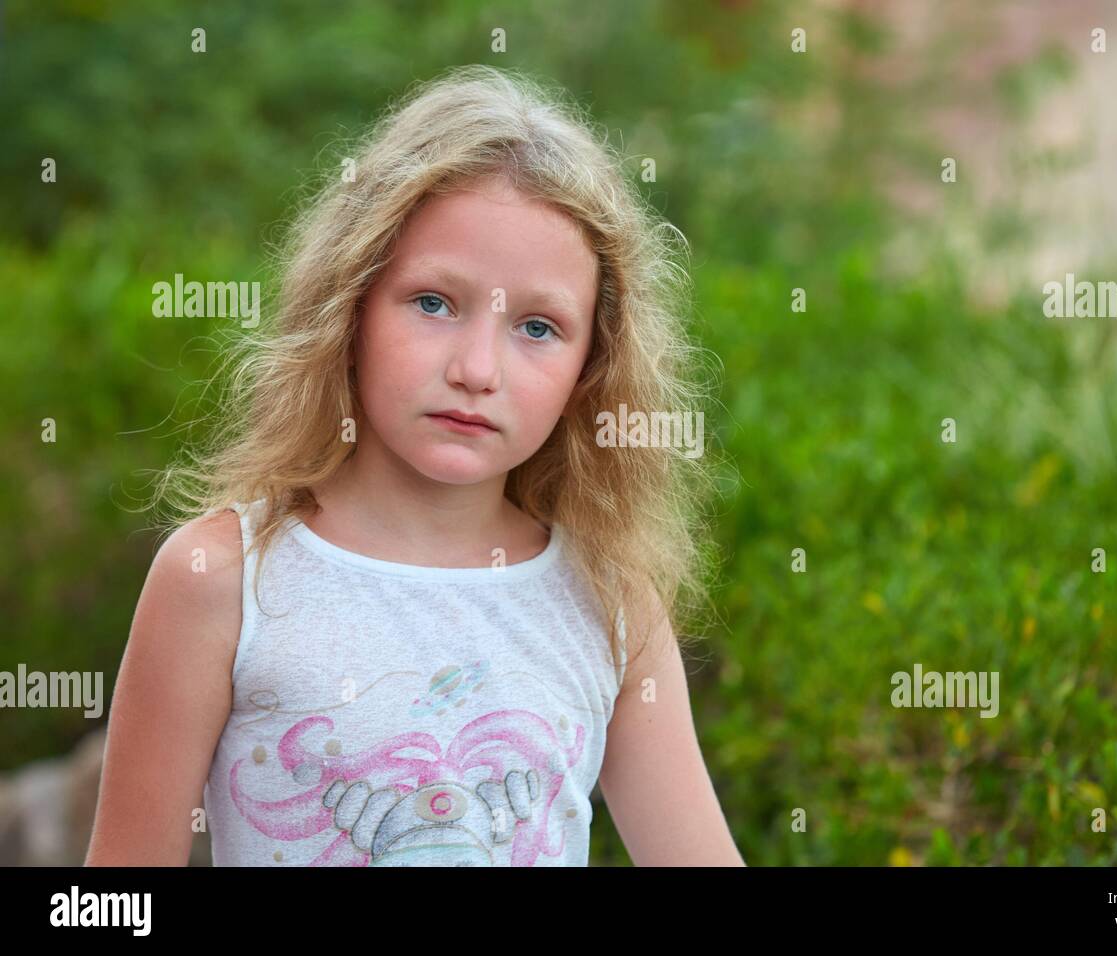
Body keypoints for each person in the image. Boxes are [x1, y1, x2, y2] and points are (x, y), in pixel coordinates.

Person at [85, 64, 742, 867]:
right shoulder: (219, 579)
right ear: (349, 305)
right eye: (433, 302)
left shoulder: (611, 604)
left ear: (592, 369)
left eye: (537, 327)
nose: (477, 368)